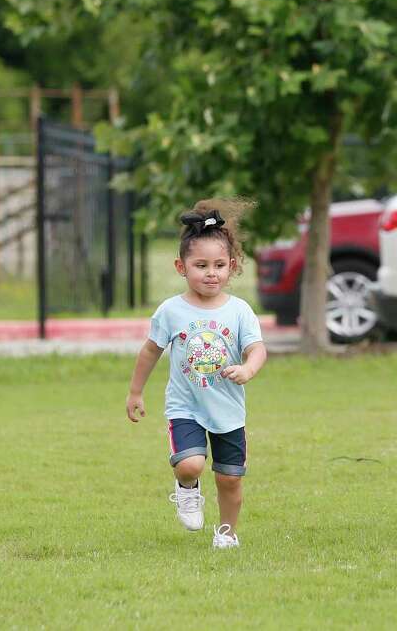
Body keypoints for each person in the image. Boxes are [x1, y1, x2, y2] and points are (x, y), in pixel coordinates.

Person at [126, 200, 267, 550]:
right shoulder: (171, 311)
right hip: (185, 405)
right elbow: (150, 351)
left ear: (232, 266)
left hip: (228, 410)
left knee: (229, 479)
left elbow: (257, 349)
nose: (211, 273)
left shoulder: (239, 311)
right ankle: (187, 489)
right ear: (181, 266)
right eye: (200, 265)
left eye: (219, 265)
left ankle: (227, 533)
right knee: (189, 465)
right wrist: (135, 393)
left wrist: (249, 368)